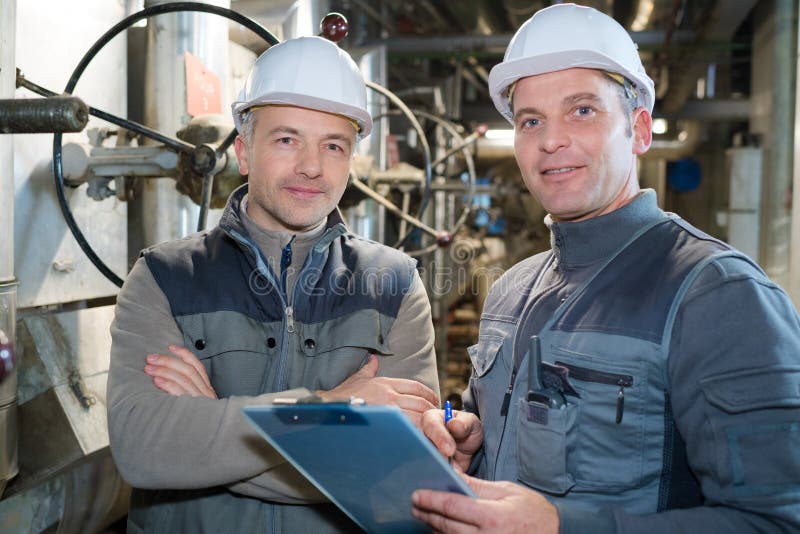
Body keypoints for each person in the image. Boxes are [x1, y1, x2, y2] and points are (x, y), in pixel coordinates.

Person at [411, 3, 800, 533]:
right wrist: (468, 439)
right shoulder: (510, 290)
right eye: (531, 121)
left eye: (582, 111)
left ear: (639, 130)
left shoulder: (717, 293)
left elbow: (776, 521)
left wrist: (560, 527)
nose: (551, 140)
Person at [107, 36, 440, 533]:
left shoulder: (393, 285)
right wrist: (332, 408)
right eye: (287, 139)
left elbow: (400, 481)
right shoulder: (164, 277)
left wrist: (211, 425)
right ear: (243, 152)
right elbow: (144, 450)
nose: (311, 165)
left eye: (333, 146)